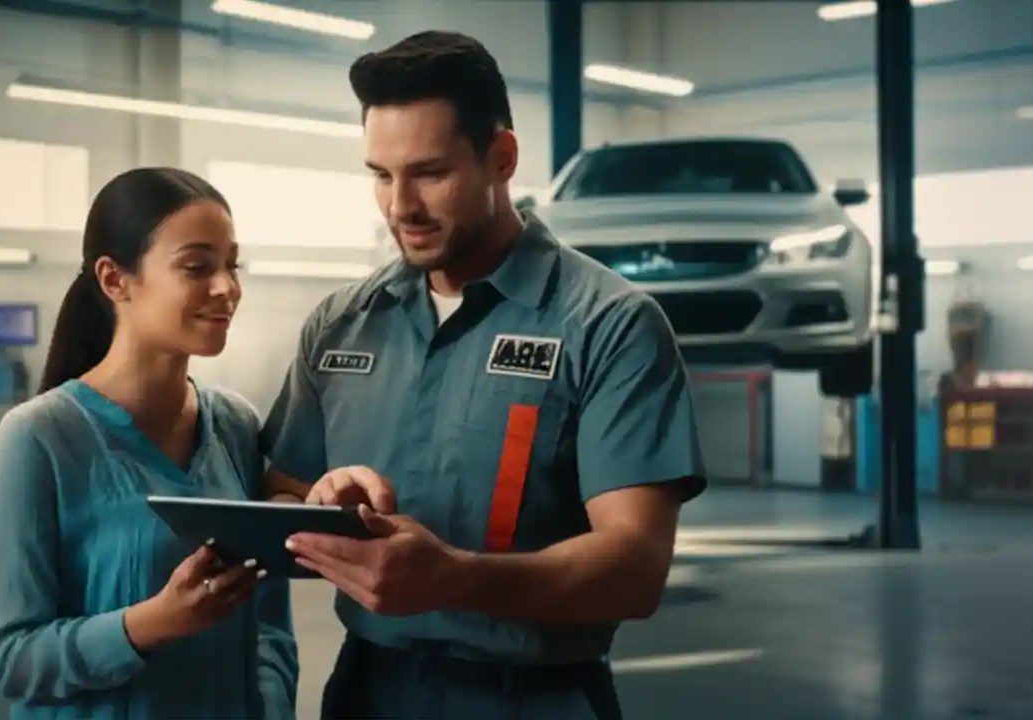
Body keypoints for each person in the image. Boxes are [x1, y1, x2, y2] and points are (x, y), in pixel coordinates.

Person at [260, 31, 706, 720]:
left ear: (502, 158)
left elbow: (635, 569)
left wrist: (454, 579)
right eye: (381, 175)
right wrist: (321, 504)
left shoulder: (609, 325)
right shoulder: (342, 325)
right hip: (365, 691)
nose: (400, 206)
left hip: (535, 697)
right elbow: (280, 489)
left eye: (430, 173)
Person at [0, 167, 297, 719]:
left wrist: (267, 705)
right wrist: (151, 623)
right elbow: (15, 659)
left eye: (231, 265)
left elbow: (267, 619)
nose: (227, 287)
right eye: (196, 267)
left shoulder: (236, 426)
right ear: (114, 280)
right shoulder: (38, 437)